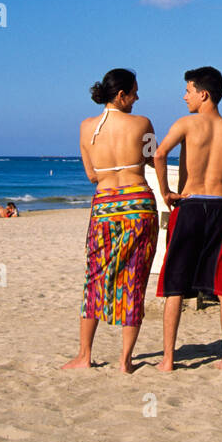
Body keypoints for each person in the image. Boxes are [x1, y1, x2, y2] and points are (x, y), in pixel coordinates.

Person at [61, 68, 160, 375]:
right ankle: (125, 361)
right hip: (138, 205)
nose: (137, 97)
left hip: (105, 205)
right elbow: (153, 159)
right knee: (133, 279)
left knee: (94, 277)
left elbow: (92, 175)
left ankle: (84, 355)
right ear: (122, 95)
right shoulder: (142, 123)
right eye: (134, 92)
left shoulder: (85, 127)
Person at [152, 66, 222, 372]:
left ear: (203, 94)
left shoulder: (187, 124)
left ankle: (168, 360)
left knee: (175, 283)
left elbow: (159, 154)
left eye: (188, 90)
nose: (184, 96)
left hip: (189, 205)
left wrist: (165, 192)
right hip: (219, 207)